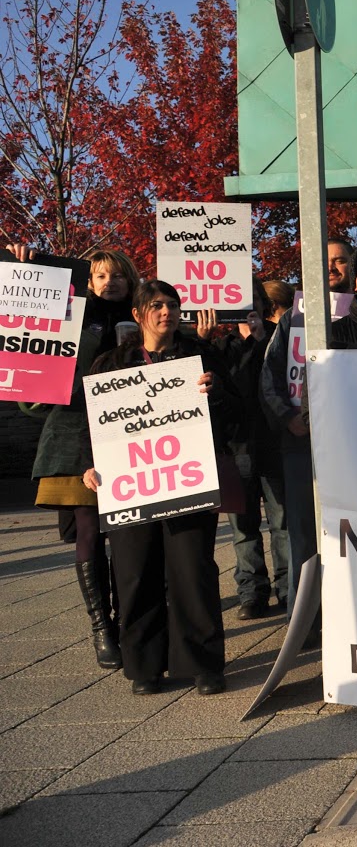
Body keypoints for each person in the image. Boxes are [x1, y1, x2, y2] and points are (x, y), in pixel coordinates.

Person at [82, 280, 239, 695]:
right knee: (135, 575)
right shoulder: (111, 362)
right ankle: (144, 667)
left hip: (187, 481)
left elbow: (237, 411)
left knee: (193, 572)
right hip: (130, 486)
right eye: (156, 305)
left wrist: (217, 393)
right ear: (138, 314)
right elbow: (89, 422)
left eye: (172, 305)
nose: (166, 312)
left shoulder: (200, 356)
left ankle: (203, 665)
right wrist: (89, 466)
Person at [12, 245, 139, 668]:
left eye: (117, 275)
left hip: (131, 430)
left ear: (130, 279)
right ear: (89, 282)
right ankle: (102, 628)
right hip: (74, 433)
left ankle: (128, 621)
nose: (110, 282)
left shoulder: (146, 314)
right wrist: (24, 268)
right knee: (88, 531)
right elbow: (27, 312)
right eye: (101, 276)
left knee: (127, 533)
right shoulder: (70, 315)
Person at [259, 238, 357, 620]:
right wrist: (288, 417)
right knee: (303, 534)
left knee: (354, 531)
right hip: (301, 444)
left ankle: (352, 613)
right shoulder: (291, 319)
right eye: (325, 261)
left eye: (341, 261)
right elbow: (269, 375)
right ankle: (304, 620)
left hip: (352, 446)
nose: (332, 267)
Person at [215, 279, 291, 619]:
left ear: (263, 304)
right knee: (243, 528)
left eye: (254, 300)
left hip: (275, 443)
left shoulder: (281, 337)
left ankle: (290, 590)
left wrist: (261, 340)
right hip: (237, 445)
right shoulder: (221, 345)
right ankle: (252, 592)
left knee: (282, 522)